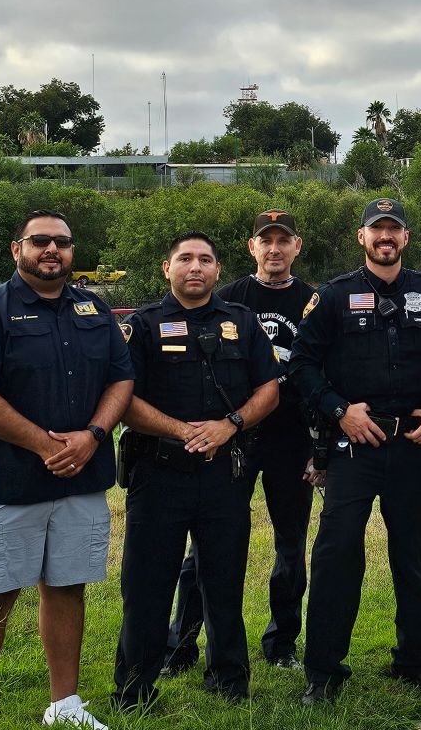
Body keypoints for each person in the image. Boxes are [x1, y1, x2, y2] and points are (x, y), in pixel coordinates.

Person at [0, 210, 134, 730]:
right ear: (17, 249)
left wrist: (93, 436)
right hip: (3, 481)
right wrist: (45, 445)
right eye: (40, 242)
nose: (52, 251)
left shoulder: (92, 308)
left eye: (63, 243)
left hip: (80, 475)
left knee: (68, 587)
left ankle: (64, 705)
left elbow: (121, 380)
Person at [291, 196, 421, 706]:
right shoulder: (335, 296)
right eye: (376, 230)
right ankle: (323, 672)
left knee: (413, 557)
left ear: (405, 238)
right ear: (362, 238)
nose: (385, 237)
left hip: (411, 443)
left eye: (394, 230)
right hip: (353, 446)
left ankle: (415, 663)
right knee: (336, 554)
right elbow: (302, 365)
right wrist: (340, 410)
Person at [111, 231, 281, 709]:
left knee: (224, 581)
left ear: (218, 271)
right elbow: (123, 400)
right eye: (184, 258)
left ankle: (229, 680)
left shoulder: (242, 322)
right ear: (167, 268)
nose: (195, 267)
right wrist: (184, 431)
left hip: (224, 474)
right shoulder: (141, 326)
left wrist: (230, 426)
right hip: (158, 473)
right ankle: (134, 690)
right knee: (147, 586)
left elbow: (269, 388)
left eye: (205, 259)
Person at [163, 209, 318, 675]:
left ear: (296, 246)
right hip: (234, 439)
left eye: (282, 240)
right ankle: (182, 645)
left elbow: (326, 373)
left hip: (292, 439)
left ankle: (282, 642)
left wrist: (320, 445)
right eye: (264, 241)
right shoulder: (228, 297)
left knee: (290, 545)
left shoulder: (315, 301)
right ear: (251, 248)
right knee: (205, 547)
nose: (274, 249)